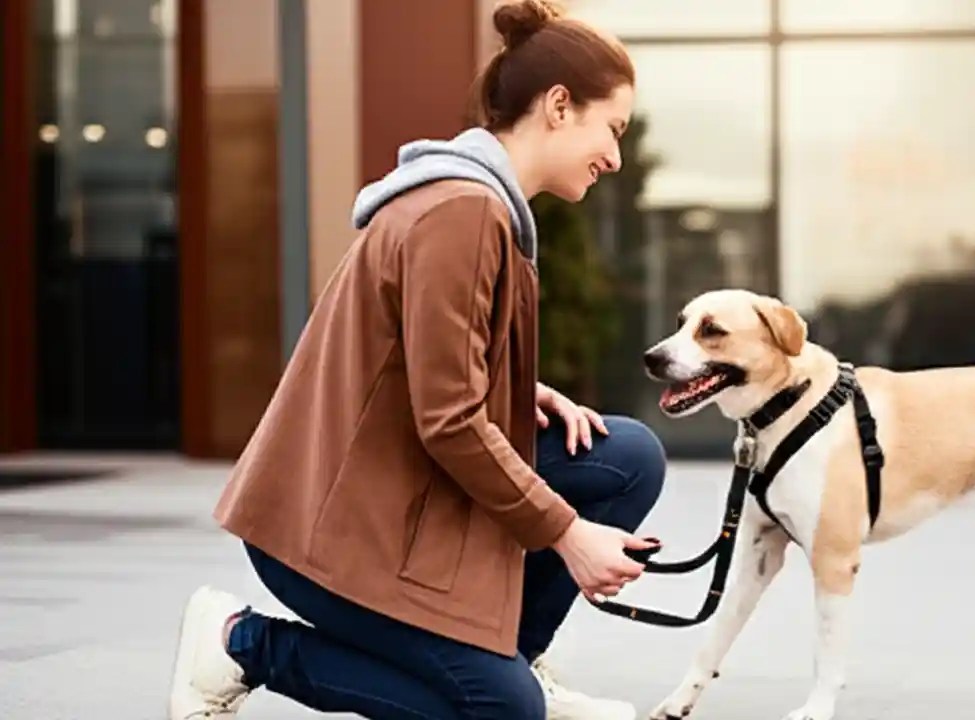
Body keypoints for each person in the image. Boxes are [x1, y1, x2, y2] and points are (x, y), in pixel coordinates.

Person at [167, 1, 665, 718]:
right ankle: (240, 645)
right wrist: (567, 534)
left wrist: (509, 386)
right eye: (611, 129)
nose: (615, 157)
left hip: (391, 494)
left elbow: (422, 367)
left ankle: (505, 659)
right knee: (503, 711)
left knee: (629, 458)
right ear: (559, 106)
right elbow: (450, 424)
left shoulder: (474, 203)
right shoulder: (462, 213)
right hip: (328, 535)